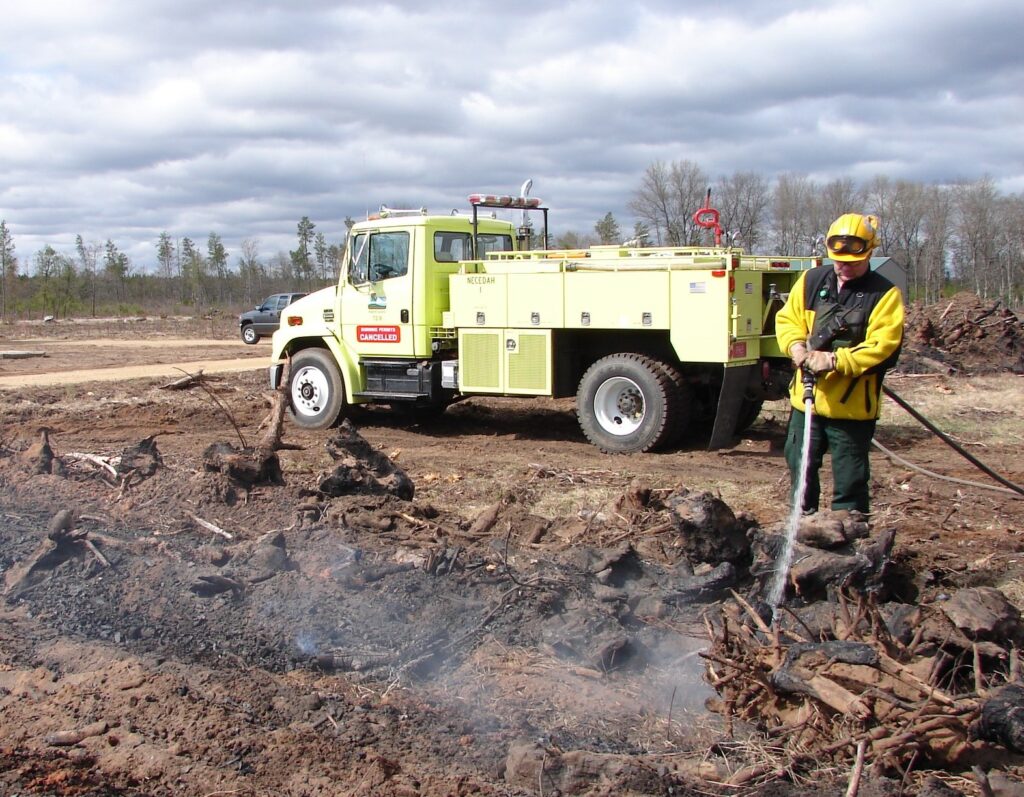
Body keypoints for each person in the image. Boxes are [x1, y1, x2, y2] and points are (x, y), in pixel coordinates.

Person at [774, 213, 904, 515]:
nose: (843, 267)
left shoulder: (884, 295)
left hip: (852, 407)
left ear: (869, 253)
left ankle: (851, 538)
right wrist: (794, 345)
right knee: (800, 467)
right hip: (806, 402)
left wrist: (834, 360)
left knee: (850, 479)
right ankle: (803, 527)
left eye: (851, 262)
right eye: (838, 260)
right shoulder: (811, 280)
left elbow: (883, 348)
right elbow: (787, 319)